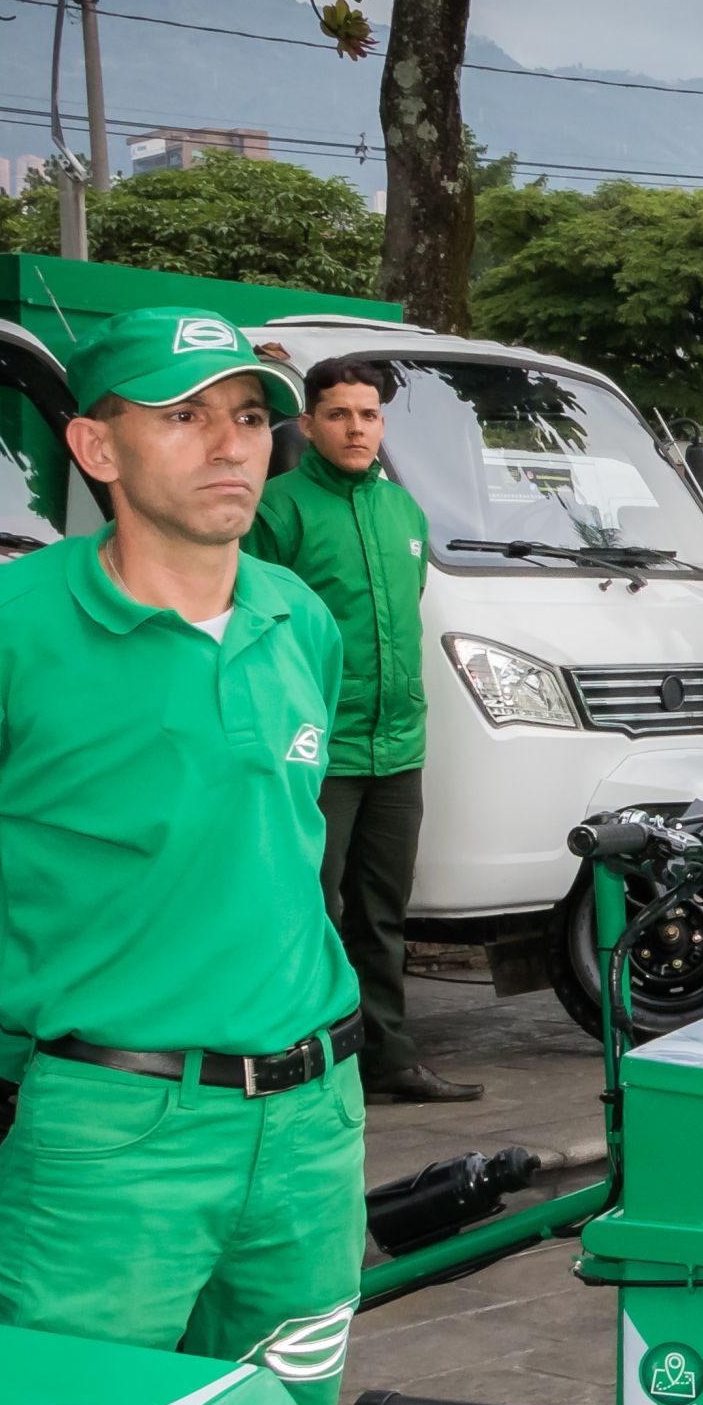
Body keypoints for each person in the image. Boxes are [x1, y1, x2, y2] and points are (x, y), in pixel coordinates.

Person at [0, 307, 368, 1405]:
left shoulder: (298, 618)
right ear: (96, 447)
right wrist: (58, 1043)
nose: (232, 445)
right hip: (116, 1146)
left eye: (249, 416)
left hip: (313, 1131)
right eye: (183, 416)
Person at [245, 357, 479, 1102]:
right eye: (340, 414)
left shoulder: (404, 513)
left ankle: (389, 1057)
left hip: (397, 749)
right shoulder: (275, 510)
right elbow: (254, 632)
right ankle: (301, 1060)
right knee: (308, 908)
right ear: (308, 425)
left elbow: (405, 614)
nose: (356, 428)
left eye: (369, 415)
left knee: (383, 914)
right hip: (316, 753)